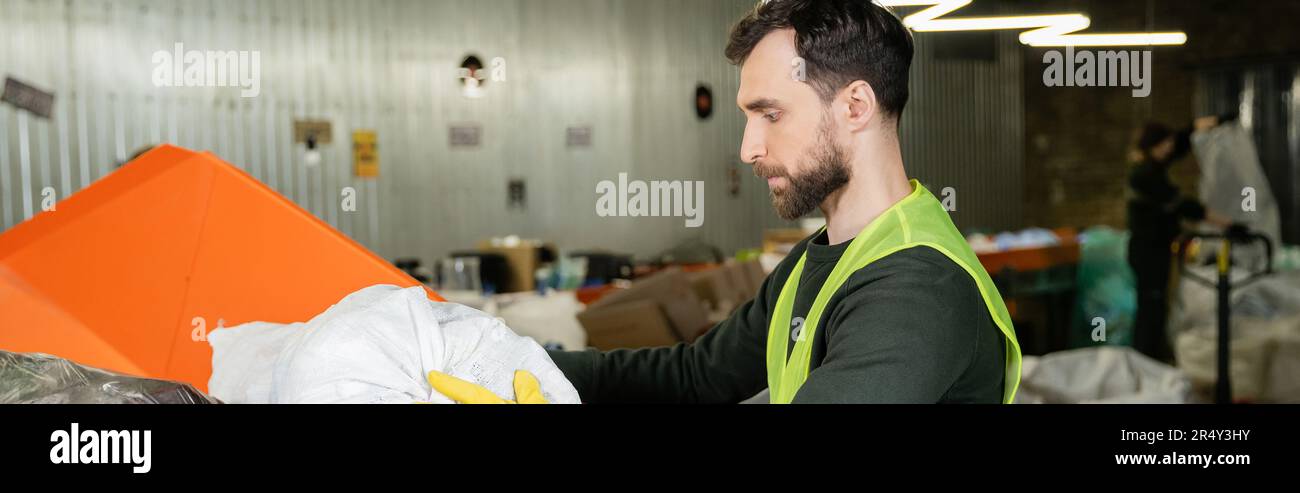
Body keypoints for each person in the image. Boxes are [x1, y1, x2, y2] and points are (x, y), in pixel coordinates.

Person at [430, 0, 1021, 404]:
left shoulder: (917, 287)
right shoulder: (820, 262)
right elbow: (694, 379)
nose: (748, 149)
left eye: (770, 114)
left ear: (856, 106)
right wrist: (508, 363)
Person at [1125, 121, 1234, 363]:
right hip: (1147, 251)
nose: (1169, 149)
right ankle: (1145, 359)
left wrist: (1206, 124)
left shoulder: (1151, 166)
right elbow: (1183, 205)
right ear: (1153, 145)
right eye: (1165, 144)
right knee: (1151, 308)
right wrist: (1225, 223)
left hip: (1155, 249)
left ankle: (1150, 357)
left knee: (1155, 304)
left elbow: (1180, 144)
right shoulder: (1146, 175)